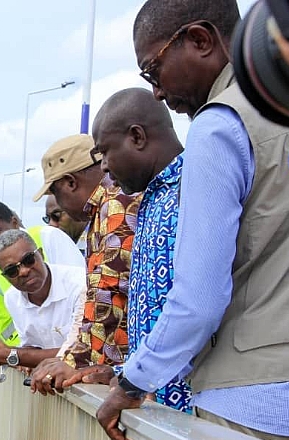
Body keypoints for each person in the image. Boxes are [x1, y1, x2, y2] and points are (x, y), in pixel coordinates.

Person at [94, 0, 289, 440]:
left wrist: (133, 382)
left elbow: (199, 298)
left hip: (255, 404)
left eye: (153, 70)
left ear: (200, 41)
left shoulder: (220, 124)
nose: (157, 93)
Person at [86, 87, 193, 414]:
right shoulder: (151, 199)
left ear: (137, 137)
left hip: (191, 407)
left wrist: (136, 381)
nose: (103, 167)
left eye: (105, 152)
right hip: (156, 403)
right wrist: (125, 374)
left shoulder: (192, 188)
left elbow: (193, 303)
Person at [28, 134, 140, 394]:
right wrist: (66, 359)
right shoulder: (101, 212)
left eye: (56, 194)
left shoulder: (116, 206)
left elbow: (107, 298)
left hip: (133, 380)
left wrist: (73, 364)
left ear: (70, 182)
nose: (59, 207)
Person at [0, 201, 85, 364]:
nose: (23, 271)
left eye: (29, 260)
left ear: (41, 255)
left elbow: (81, 351)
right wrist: (19, 357)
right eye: (11, 271)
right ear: (5, 276)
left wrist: (10, 355)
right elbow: (31, 346)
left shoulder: (51, 239)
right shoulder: (12, 297)